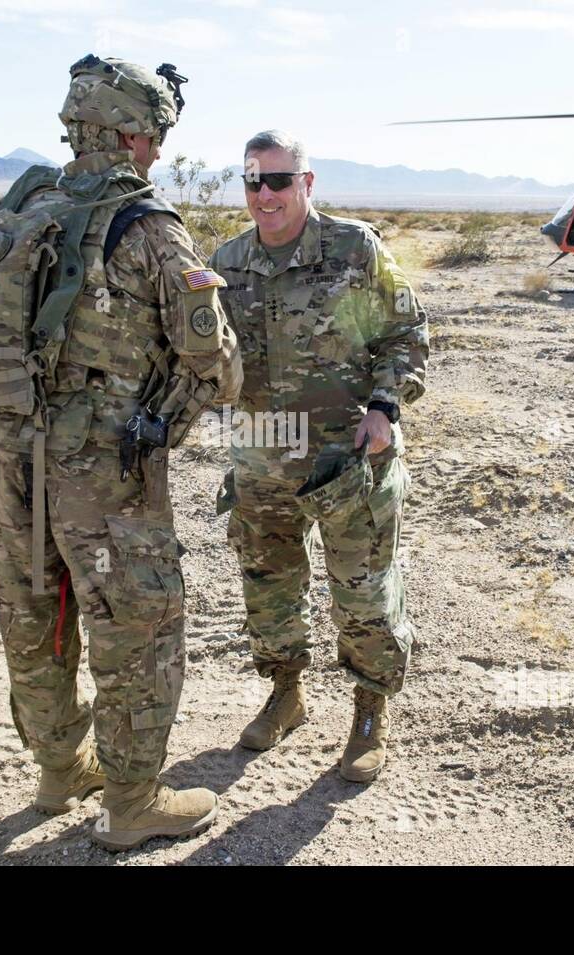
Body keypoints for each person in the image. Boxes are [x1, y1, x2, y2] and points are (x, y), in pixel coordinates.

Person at [0, 55, 241, 849]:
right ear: (134, 134)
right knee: (138, 626)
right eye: (156, 135)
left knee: (33, 616)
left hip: (10, 465)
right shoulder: (149, 228)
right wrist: (158, 426)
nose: (159, 152)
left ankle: (57, 771)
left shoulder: (13, 211)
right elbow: (220, 368)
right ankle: (131, 802)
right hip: (104, 479)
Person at [208, 130, 427, 782]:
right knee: (268, 589)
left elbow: (406, 330)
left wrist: (386, 406)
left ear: (307, 183)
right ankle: (286, 693)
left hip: (346, 463)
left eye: (279, 180)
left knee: (363, 595)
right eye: (253, 181)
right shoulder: (229, 261)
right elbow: (207, 360)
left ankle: (369, 712)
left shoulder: (353, 248)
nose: (265, 194)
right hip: (262, 464)